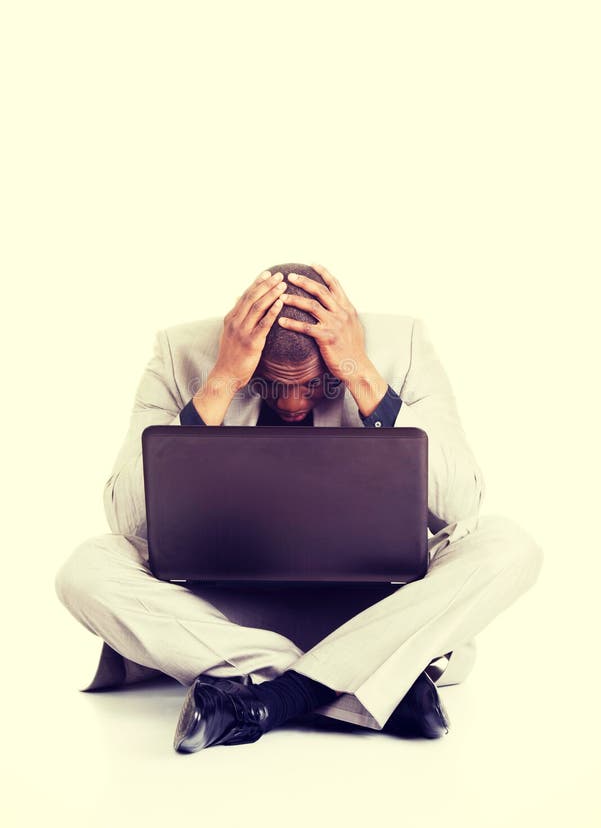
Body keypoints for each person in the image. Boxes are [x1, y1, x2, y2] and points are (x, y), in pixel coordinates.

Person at [54, 261, 544, 753]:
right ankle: (370, 677)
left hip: (369, 605)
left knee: (509, 546)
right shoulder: (180, 355)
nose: (291, 403)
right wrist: (223, 380)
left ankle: (271, 698)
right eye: (271, 383)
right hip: (225, 610)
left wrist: (359, 371)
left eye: (312, 383)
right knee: (86, 571)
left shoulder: (403, 347)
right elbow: (126, 518)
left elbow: (461, 504)